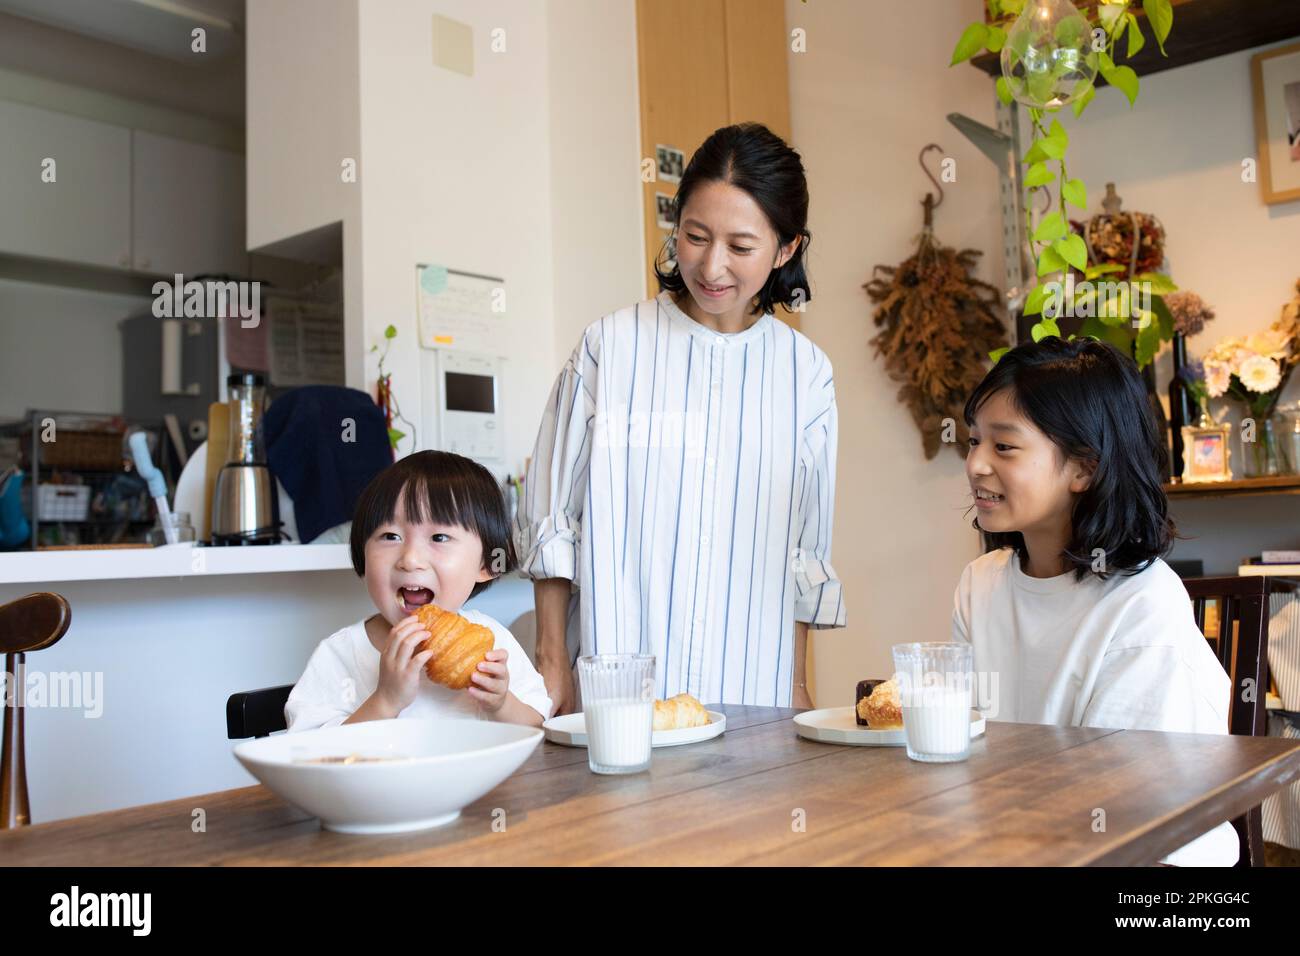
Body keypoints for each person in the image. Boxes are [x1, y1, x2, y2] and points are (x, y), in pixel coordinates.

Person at [517, 122, 845, 715]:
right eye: (695, 236)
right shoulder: (610, 348)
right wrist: (551, 661)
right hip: (617, 684)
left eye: (741, 247)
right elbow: (552, 516)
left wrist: (796, 684)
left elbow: (804, 548)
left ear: (787, 249)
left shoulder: (806, 374)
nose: (712, 266)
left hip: (750, 688)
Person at [953, 337, 1238, 866]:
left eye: (1004, 447)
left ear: (1084, 468)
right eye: (973, 441)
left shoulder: (1141, 600)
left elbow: (1123, 800)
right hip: (1024, 843)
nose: (976, 464)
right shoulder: (980, 584)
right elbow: (961, 746)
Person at [286, 450, 551, 730]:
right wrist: (385, 701)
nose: (410, 559)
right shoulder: (341, 655)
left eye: (439, 537)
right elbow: (313, 755)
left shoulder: (493, 644)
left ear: (486, 564)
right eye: (390, 536)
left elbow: (536, 722)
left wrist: (502, 704)